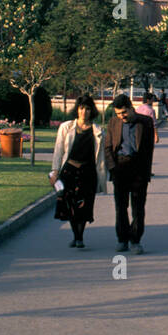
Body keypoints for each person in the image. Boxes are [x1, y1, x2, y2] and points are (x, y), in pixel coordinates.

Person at [49, 94, 107, 249]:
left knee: (84, 206)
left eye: (87, 109)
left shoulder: (98, 131)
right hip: (69, 171)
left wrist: (103, 177)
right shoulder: (66, 127)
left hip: (87, 173)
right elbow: (59, 150)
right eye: (81, 108)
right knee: (70, 206)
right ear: (77, 109)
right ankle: (76, 235)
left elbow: (101, 158)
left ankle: (80, 237)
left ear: (91, 111)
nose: (84, 112)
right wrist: (55, 171)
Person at [105, 93, 156, 254]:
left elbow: (149, 151)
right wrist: (112, 168)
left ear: (131, 108)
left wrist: (146, 172)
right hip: (120, 167)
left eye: (124, 113)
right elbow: (107, 148)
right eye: (118, 114)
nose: (122, 116)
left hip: (138, 168)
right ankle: (122, 239)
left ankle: (135, 240)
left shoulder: (145, 122)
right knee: (120, 206)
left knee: (138, 207)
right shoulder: (113, 123)